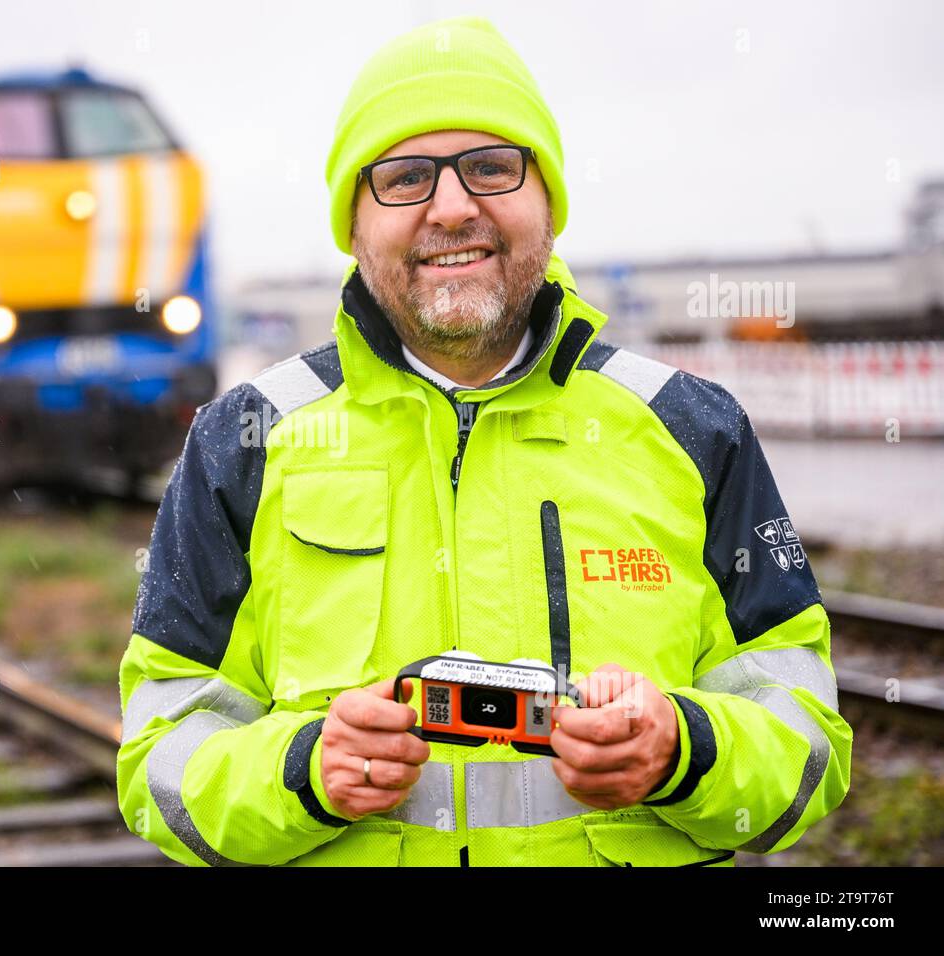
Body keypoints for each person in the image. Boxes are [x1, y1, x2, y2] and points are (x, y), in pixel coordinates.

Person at [115, 15, 851, 866]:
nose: (453, 207)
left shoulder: (695, 427)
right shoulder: (241, 441)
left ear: (549, 203)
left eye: (493, 167)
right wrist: (301, 774)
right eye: (404, 177)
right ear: (353, 221)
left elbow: (809, 743)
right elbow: (156, 759)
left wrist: (685, 751)